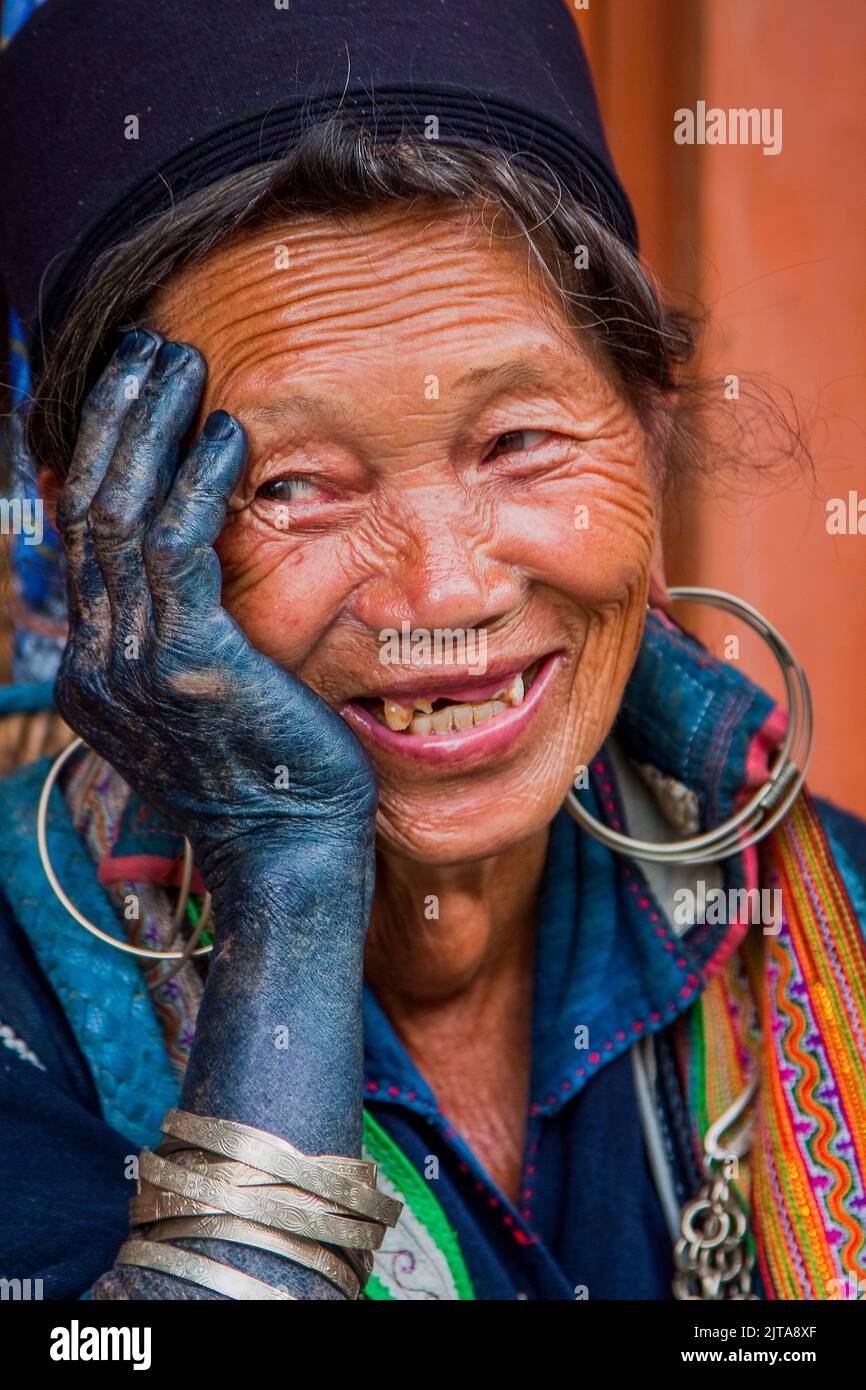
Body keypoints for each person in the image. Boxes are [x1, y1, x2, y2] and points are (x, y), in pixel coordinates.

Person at [1, 0, 865, 1302]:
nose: (440, 587)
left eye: (519, 442)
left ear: (645, 421)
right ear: (101, 526)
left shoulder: (834, 919)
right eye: (289, 482)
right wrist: (287, 873)